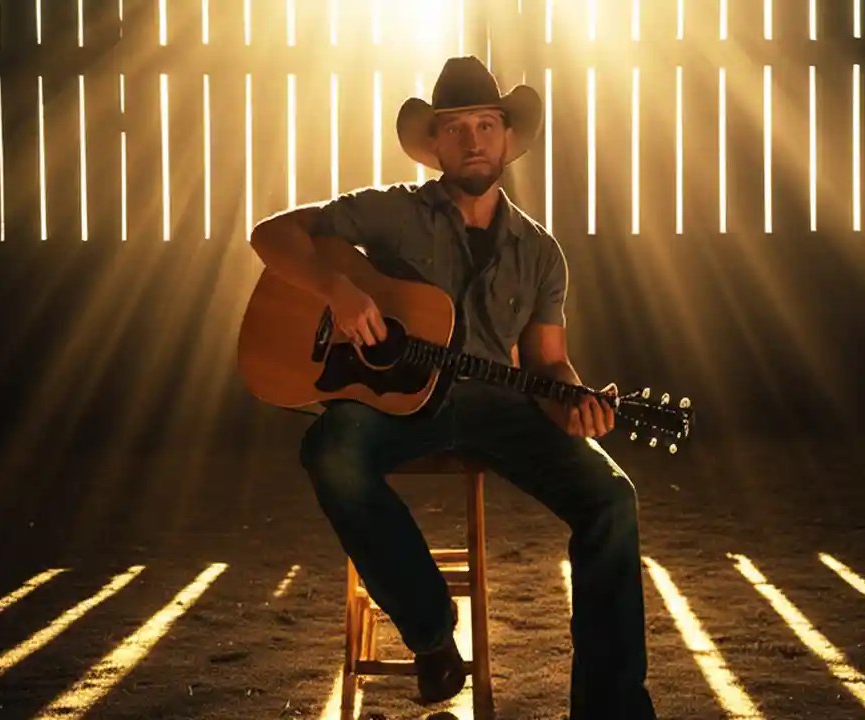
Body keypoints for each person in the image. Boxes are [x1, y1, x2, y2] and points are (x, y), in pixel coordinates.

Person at [249, 55, 657, 720]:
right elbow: (271, 235)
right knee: (331, 451)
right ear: (435, 143)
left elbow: (549, 365)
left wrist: (577, 403)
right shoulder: (390, 214)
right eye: (458, 127)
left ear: (506, 138)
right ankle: (433, 633)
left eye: (487, 125)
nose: (474, 140)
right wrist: (339, 290)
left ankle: (611, 710)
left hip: (500, 408)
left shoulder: (539, 251)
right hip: (401, 407)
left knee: (611, 498)